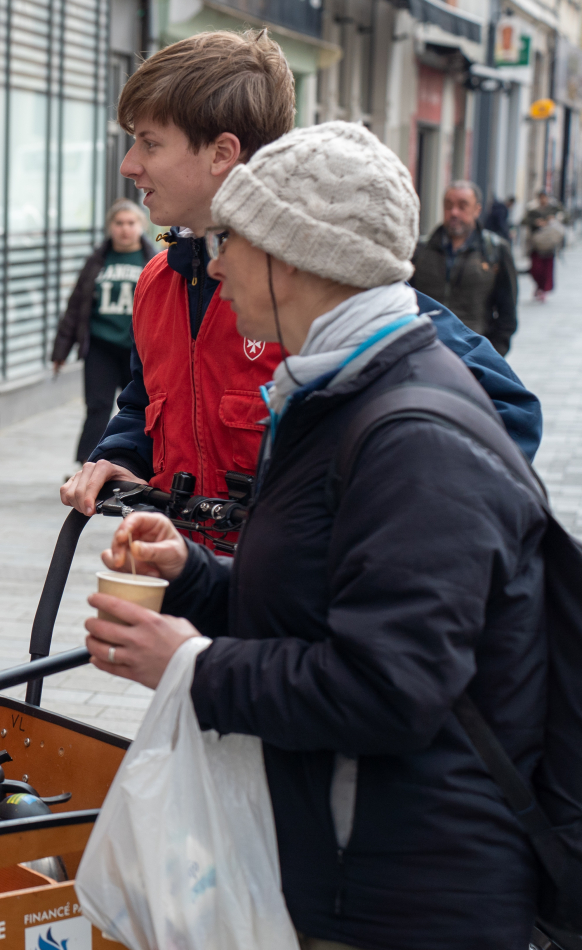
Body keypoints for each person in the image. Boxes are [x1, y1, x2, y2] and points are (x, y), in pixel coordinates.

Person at [85, 121, 547, 950]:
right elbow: (317, 611)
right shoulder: (335, 392)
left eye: (234, 241)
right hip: (342, 871)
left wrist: (190, 665)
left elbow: (388, 689)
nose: (215, 263)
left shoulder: (411, 432)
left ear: (291, 256)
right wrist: (191, 574)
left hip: (405, 901)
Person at [59, 30, 540, 522]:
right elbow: (145, 407)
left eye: (150, 143)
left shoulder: (312, 279)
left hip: (297, 596)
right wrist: (118, 458)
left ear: (221, 153)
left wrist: (360, 537)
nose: (128, 165)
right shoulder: (158, 281)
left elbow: (505, 412)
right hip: (194, 587)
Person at [52, 199, 158, 463]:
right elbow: (76, 305)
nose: (125, 229)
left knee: (141, 408)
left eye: (131, 223)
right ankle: (87, 463)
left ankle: (139, 462)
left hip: (137, 350)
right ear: (110, 227)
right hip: (101, 347)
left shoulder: (154, 261)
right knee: (97, 407)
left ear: (141, 225)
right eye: (119, 223)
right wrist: (60, 351)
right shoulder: (97, 261)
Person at [410, 181, 517, 355]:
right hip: (424, 349)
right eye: (448, 206)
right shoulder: (421, 250)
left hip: (471, 353)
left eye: (462, 206)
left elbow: (507, 315)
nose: (454, 212)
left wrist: (492, 355)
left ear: (477, 210)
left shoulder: (495, 251)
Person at [523, 189, 565, 302]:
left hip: (549, 245)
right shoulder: (532, 208)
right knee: (535, 269)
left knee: (546, 270)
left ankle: (542, 290)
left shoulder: (554, 208)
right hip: (536, 244)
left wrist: (553, 220)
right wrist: (536, 222)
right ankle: (538, 287)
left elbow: (564, 218)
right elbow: (525, 221)